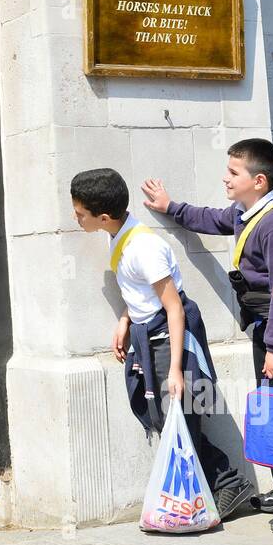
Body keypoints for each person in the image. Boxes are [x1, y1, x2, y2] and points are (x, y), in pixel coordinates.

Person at [141, 139, 273, 534]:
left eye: (233, 173)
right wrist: (171, 207)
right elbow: (213, 220)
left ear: (259, 181)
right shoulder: (248, 215)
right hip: (263, 330)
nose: (225, 179)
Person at [71, 168, 254, 522]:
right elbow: (142, 293)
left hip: (170, 341)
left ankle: (227, 483)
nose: (76, 219)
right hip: (150, 338)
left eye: (80, 214)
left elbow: (173, 306)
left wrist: (175, 370)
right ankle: (215, 488)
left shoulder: (143, 247)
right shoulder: (120, 237)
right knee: (169, 418)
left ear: (103, 217)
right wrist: (125, 319)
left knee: (182, 418)